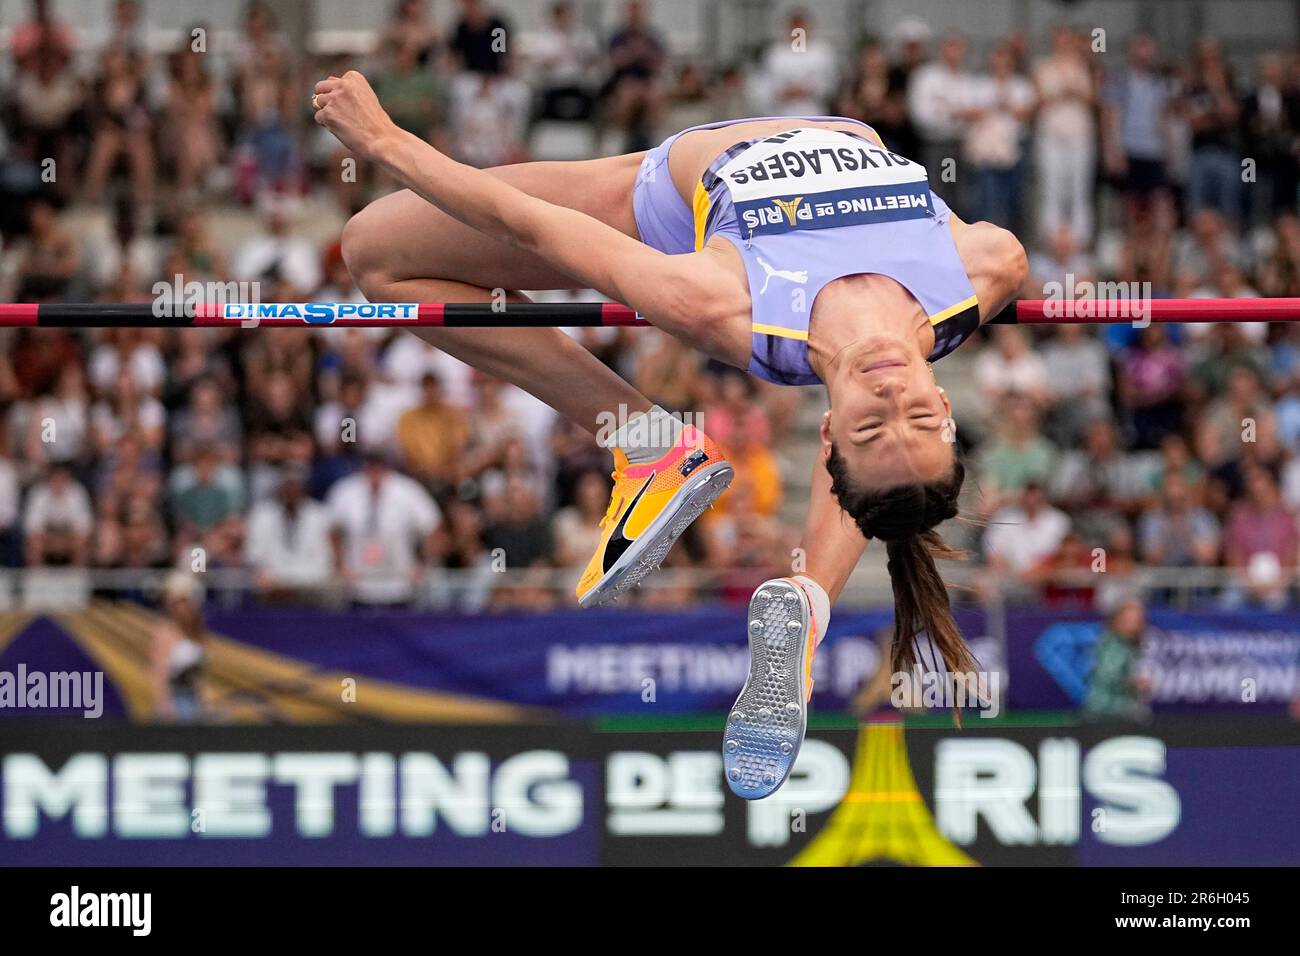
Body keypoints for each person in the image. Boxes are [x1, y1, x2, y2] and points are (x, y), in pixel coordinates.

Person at [315, 69, 1026, 798]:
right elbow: (887, 422)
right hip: (817, 139)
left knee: (375, 249)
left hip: (654, 196)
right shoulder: (985, 266)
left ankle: (648, 440)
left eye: (872, 422)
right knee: (882, 462)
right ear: (943, 401)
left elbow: (526, 224)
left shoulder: (721, 303)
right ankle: (809, 604)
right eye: (916, 413)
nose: (890, 390)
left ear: (828, 433)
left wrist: (386, 140)